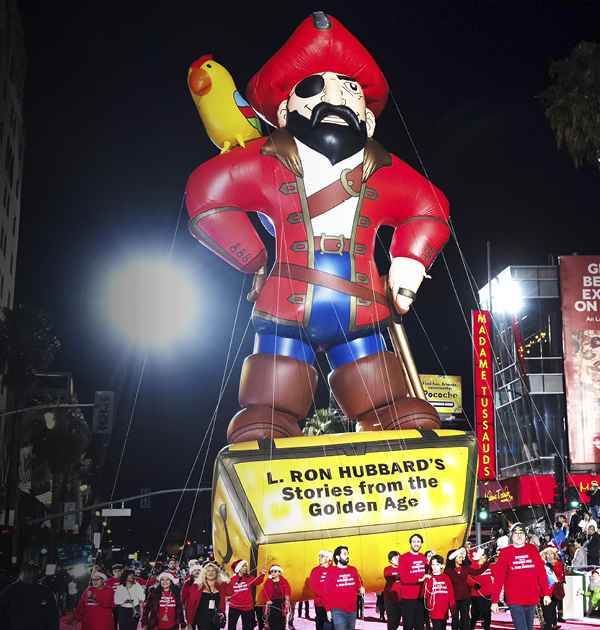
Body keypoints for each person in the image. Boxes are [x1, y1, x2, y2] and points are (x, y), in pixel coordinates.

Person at [184, 12, 449, 445]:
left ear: (368, 119)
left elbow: (429, 206)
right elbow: (206, 193)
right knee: (274, 389)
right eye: (312, 87)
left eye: (350, 89)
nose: (335, 97)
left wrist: (409, 262)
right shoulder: (266, 161)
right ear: (284, 111)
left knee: (378, 385)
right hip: (288, 301)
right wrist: (251, 255)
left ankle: (384, 417)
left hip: (359, 303)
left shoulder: (382, 169)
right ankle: (271, 420)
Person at [490, 524, 550, 630]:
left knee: (529, 627)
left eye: (521, 533)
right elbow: (499, 578)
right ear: (512, 536)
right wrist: (494, 600)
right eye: (516, 533)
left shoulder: (532, 549)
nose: (519, 536)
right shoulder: (505, 552)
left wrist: (546, 593)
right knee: (521, 627)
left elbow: (541, 573)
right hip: (514, 598)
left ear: (525, 536)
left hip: (531, 597)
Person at [0, 561, 60, 630]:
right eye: (28, 572)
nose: (32, 575)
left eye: (35, 572)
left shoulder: (46, 592)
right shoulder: (9, 592)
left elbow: (53, 617)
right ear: (21, 573)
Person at [324, 547, 362, 630]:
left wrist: (361, 590)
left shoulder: (353, 570)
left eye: (348, 554)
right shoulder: (331, 572)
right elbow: (326, 593)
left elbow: (359, 585)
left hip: (352, 610)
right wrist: (328, 610)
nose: (347, 556)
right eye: (345, 554)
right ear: (337, 557)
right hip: (337, 610)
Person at [185, 563, 231, 630]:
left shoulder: (221, 585)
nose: (211, 572)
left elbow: (230, 592)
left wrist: (228, 580)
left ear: (216, 573)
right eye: (208, 570)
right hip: (202, 618)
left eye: (213, 570)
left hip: (216, 618)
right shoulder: (196, 586)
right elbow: (191, 605)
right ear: (204, 573)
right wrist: (189, 623)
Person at [398, 534, 429, 630]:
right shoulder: (403, 558)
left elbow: (428, 573)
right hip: (408, 597)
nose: (416, 544)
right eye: (414, 542)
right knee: (408, 625)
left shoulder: (423, 557)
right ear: (410, 544)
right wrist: (420, 579)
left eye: (418, 542)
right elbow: (404, 578)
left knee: (420, 625)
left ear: (422, 544)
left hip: (421, 596)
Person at [222, 560, 265, 630]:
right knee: (231, 627)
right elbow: (227, 592)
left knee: (247, 627)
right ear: (238, 568)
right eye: (243, 566)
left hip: (247, 607)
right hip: (234, 607)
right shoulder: (231, 580)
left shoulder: (250, 578)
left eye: (245, 566)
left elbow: (258, 581)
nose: (245, 568)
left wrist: (262, 574)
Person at [463, 548, 492, 630]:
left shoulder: (489, 566)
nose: (485, 557)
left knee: (487, 612)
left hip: (488, 594)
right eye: (483, 555)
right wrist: (474, 584)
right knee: (475, 613)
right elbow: (467, 578)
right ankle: (471, 627)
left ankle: (487, 627)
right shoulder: (472, 567)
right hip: (476, 594)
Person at [423, 556, 453, 630]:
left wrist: (453, 608)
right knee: (437, 627)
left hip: (444, 609)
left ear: (441, 566)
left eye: (437, 564)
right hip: (434, 609)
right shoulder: (428, 578)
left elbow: (450, 594)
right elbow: (425, 594)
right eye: (433, 564)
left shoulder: (446, 578)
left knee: (443, 627)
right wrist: (430, 581)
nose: (435, 566)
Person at [539, 545, 565, 630]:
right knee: (546, 610)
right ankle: (547, 626)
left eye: (551, 553)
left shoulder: (557, 563)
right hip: (543, 591)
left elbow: (559, 573)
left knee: (553, 608)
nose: (550, 555)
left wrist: (554, 565)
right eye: (548, 553)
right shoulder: (541, 563)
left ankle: (554, 623)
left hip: (553, 590)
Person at [444, 550, 470, 630]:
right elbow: (447, 583)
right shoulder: (448, 570)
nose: (461, 559)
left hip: (465, 596)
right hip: (454, 597)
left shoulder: (465, 568)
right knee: (455, 617)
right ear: (454, 559)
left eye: (462, 557)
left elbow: (474, 574)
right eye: (459, 557)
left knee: (465, 616)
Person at [310, 551, 333, 630]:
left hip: (332, 604)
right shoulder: (315, 571)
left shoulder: (334, 570)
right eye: (319, 556)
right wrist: (325, 595)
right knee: (321, 624)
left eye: (322, 556)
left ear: (328, 558)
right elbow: (314, 586)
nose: (320, 558)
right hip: (320, 604)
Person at [381, 551, 401, 630]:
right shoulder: (387, 569)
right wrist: (398, 576)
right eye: (395, 558)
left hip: (400, 597)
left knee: (398, 618)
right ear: (390, 560)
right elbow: (389, 578)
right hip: (389, 598)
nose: (397, 560)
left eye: (398, 558)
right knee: (391, 618)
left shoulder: (402, 568)